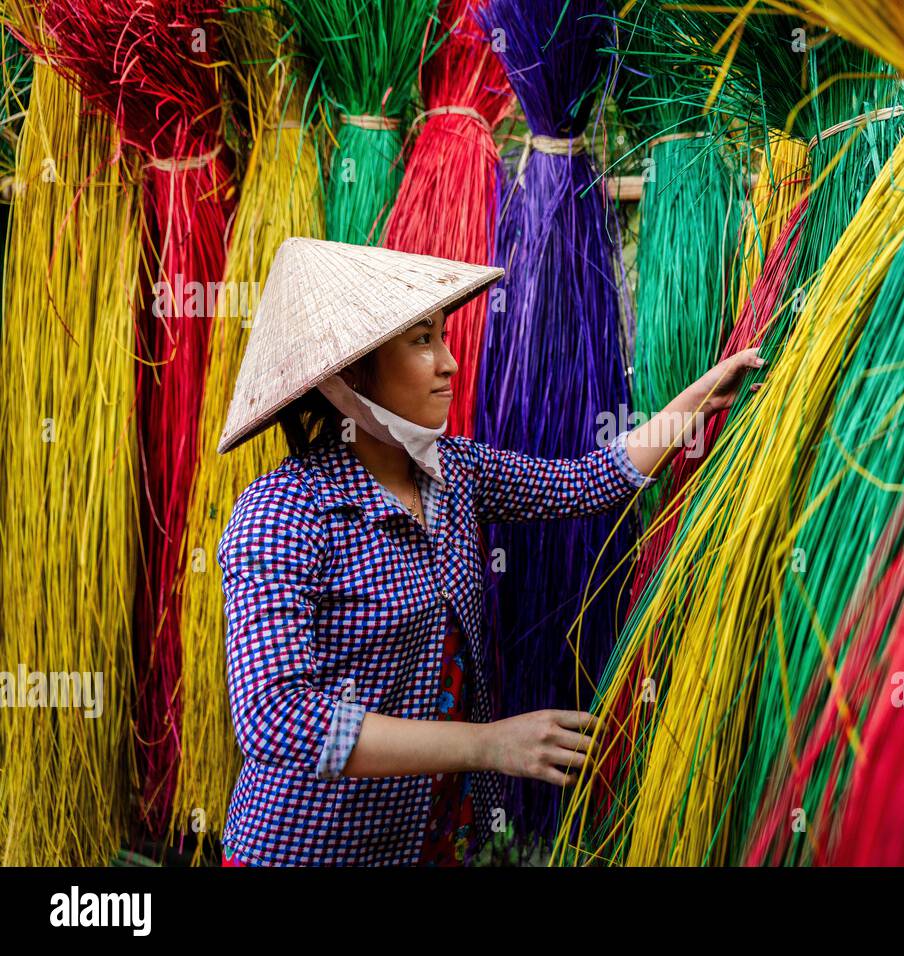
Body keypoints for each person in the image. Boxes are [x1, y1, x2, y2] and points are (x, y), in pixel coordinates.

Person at [213, 238, 764, 866]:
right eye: (422, 341)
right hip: (308, 851)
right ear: (351, 371)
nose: (450, 363)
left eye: (444, 336)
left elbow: (586, 481)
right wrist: (488, 745)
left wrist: (700, 398)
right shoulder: (282, 513)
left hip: (425, 841)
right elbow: (278, 719)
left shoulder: (454, 472)